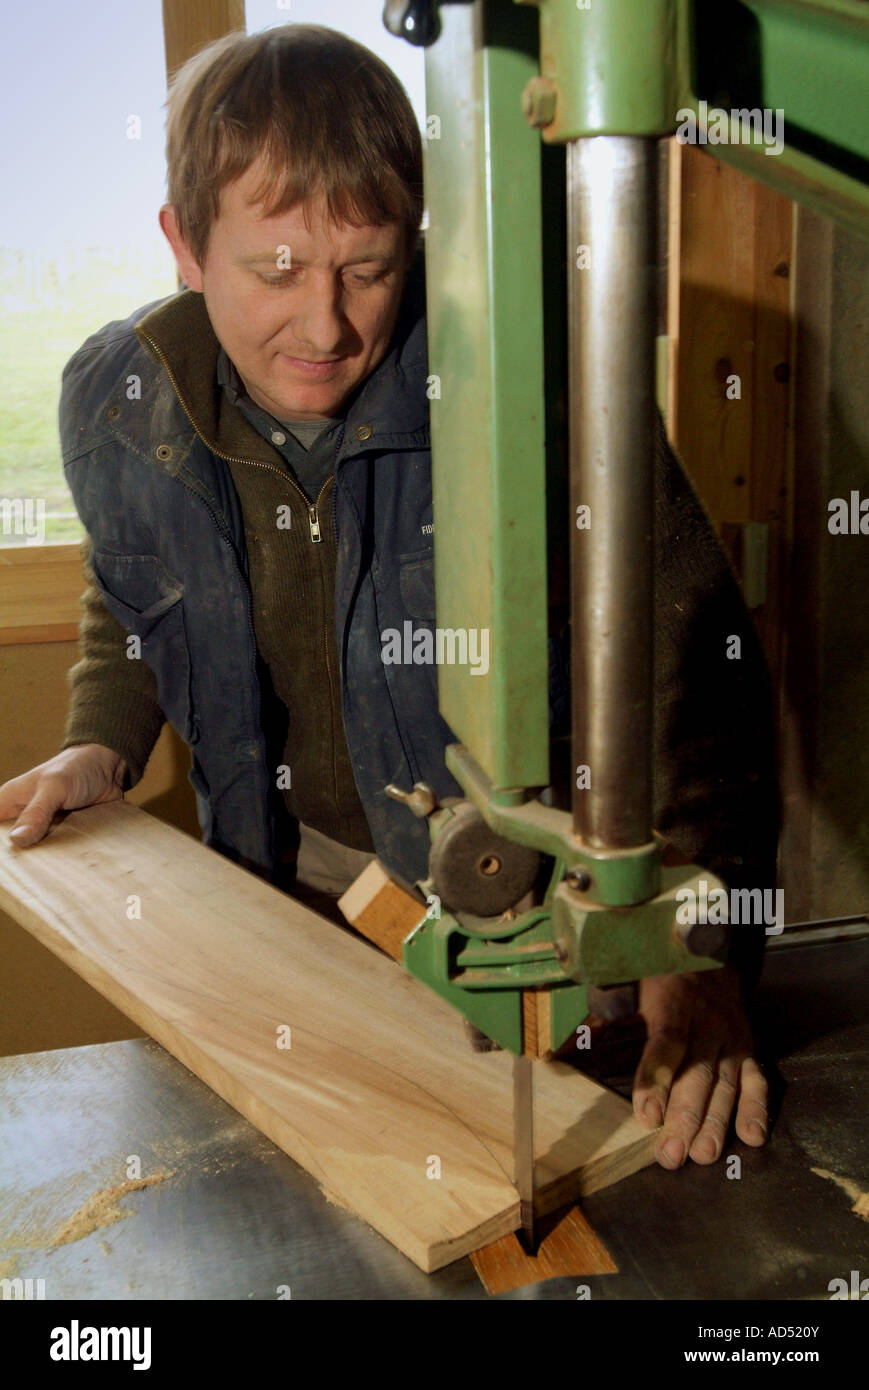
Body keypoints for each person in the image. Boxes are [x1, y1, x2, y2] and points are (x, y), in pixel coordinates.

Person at [0, 24, 778, 1171]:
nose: (325, 327)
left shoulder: (534, 392)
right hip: (293, 913)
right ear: (182, 242)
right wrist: (97, 744)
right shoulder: (120, 404)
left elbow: (693, 669)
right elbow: (131, 594)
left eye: (367, 269)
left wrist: (694, 955)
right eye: (276, 270)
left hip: (534, 916)